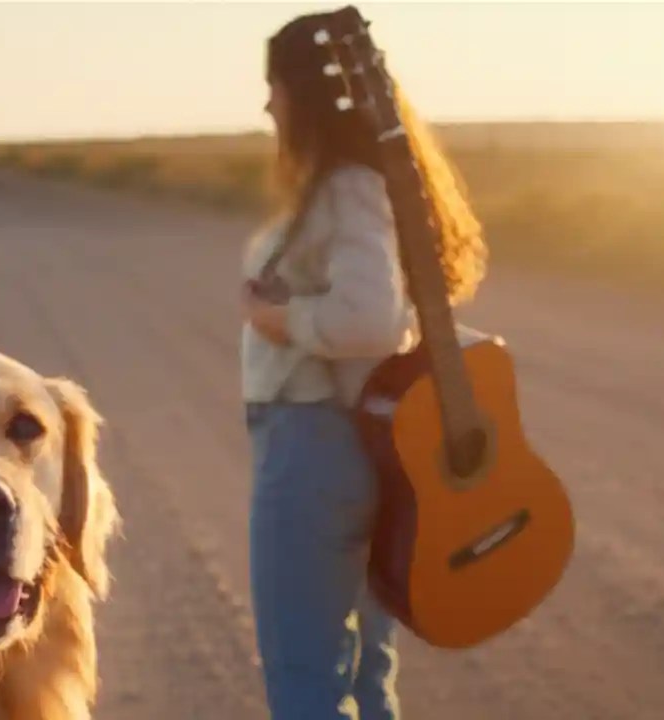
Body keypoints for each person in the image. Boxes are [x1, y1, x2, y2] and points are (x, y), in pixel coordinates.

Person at [239, 8, 488, 719]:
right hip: (351, 446)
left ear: (304, 95)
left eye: (274, 86)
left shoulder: (348, 185)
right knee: (363, 679)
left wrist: (276, 319)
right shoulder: (351, 183)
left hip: (317, 447)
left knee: (306, 682)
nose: (267, 104)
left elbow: (372, 319)